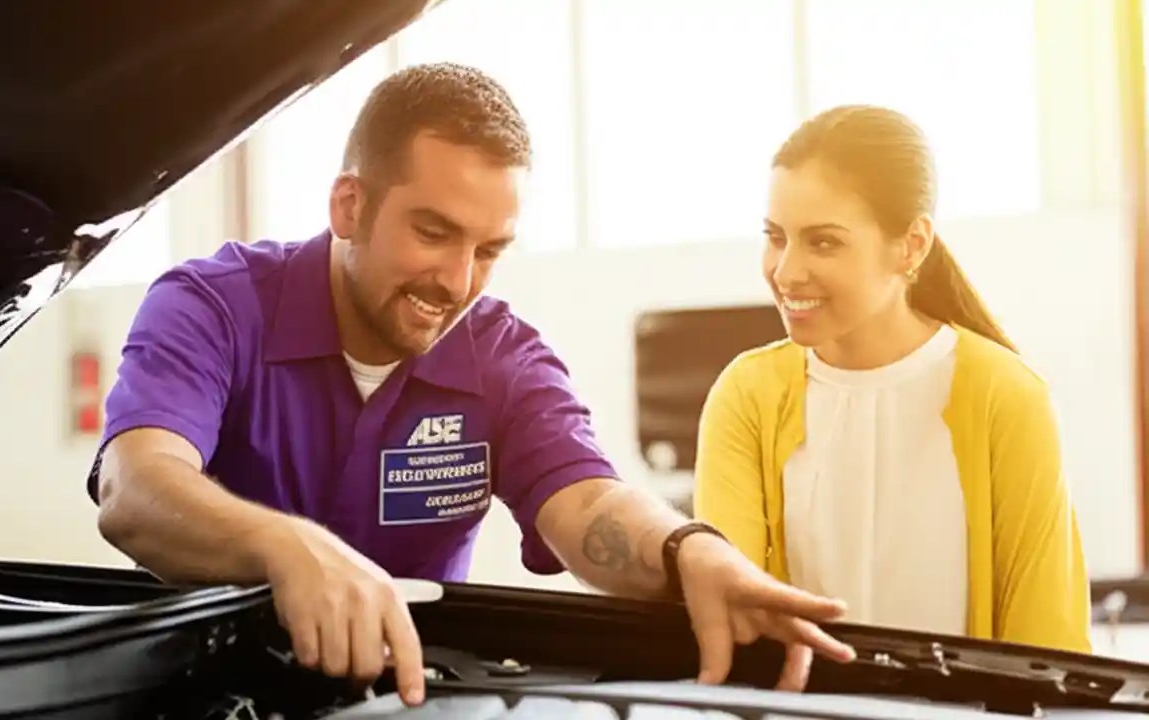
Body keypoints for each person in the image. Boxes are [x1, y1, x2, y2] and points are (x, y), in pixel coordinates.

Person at [88, 62, 858, 707]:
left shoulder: (501, 356)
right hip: (201, 696)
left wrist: (691, 551)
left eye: (489, 249)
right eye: (433, 232)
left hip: (409, 704)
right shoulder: (212, 305)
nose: (457, 282)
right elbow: (136, 488)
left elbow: (588, 505)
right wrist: (285, 547)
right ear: (349, 205)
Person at [693, 104, 1092, 654]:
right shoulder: (746, 396)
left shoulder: (1006, 394)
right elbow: (730, 618)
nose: (785, 272)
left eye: (824, 241)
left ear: (911, 244)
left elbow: (1048, 649)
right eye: (776, 236)